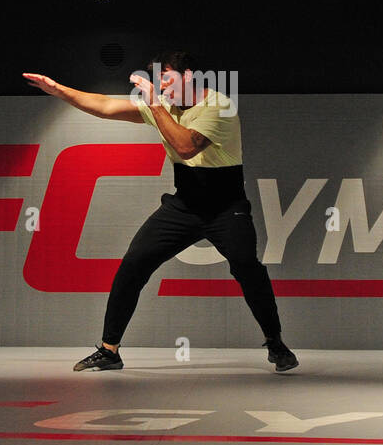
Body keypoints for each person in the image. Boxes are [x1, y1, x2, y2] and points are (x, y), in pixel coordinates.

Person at [22, 50, 298, 373]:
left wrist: (154, 104)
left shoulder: (219, 106)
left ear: (189, 77)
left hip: (226, 207)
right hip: (184, 206)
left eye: (167, 79)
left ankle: (276, 344)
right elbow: (106, 106)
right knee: (133, 264)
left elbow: (185, 146)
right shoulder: (164, 105)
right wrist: (59, 91)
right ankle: (110, 350)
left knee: (247, 267)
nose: (162, 87)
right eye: (159, 81)